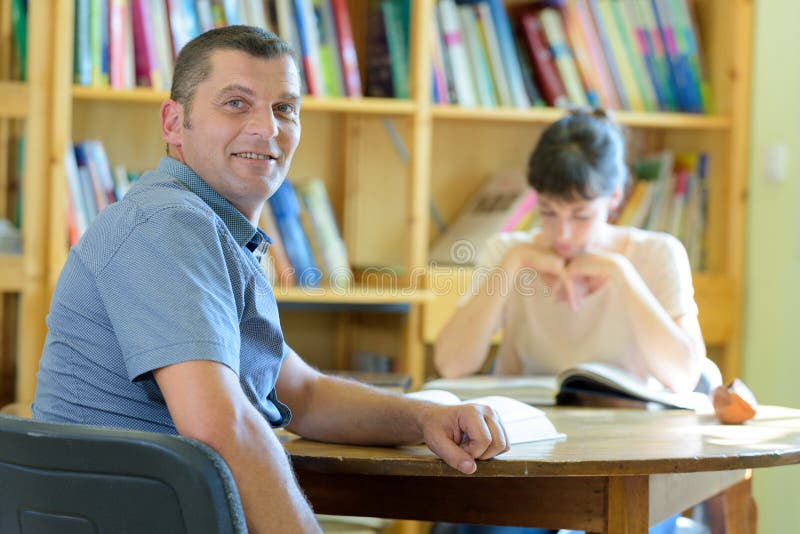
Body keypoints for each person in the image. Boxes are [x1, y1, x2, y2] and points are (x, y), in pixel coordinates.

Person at [32, 26, 509, 534]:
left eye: (285, 108)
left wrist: (424, 418)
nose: (268, 127)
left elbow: (302, 394)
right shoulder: (168, 224)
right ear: (175, 122)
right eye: (236, 103)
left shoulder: (213, 229)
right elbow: (223, 427)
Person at [433, 109, 718, 534]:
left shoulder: (656, 254)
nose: (562, 233)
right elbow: (452, 364)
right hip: (524, 460)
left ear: (614, 198)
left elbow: (682, 375)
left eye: (581, 215)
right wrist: (514, 264)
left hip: (629, 464)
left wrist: (621, 273)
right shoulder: (510, 251)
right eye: (547, 212)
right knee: (487, 527)